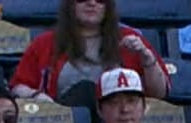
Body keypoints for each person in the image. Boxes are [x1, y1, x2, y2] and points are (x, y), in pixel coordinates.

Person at [9, 0, 167, 105]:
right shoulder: (45, 43)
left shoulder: (130, 39)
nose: (92, 2)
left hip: (120, 122)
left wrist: (147, 58)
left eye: (100, 0)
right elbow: (17, 87)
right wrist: (36, 96)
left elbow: (160, 93)